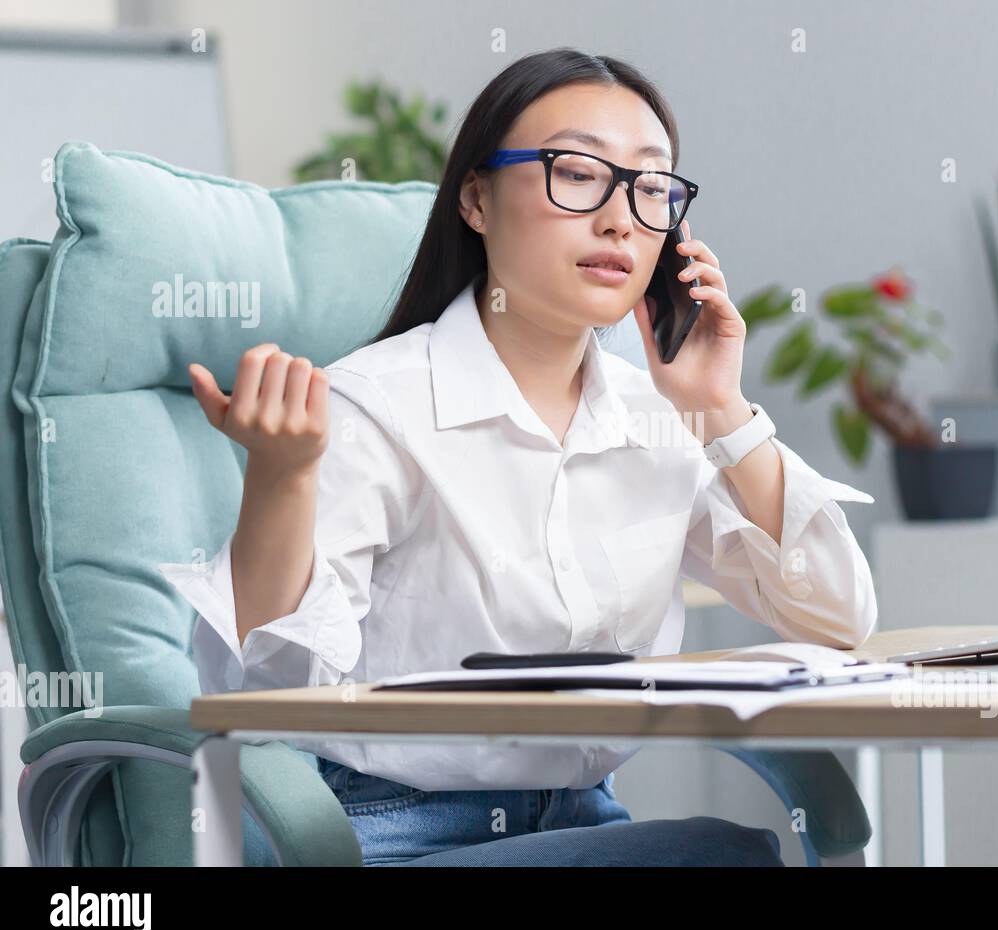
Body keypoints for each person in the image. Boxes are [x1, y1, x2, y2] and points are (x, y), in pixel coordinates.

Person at [160, 47, 878, 867]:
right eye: (576, 173)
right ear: (476, 199)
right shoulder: (377, 406)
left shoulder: (661, 418)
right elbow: (269, 697)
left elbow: (838, 617)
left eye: (650, 188)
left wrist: (722, 412)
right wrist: (282, 481)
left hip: (583, 825)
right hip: (384, 835)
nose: (619, 219)